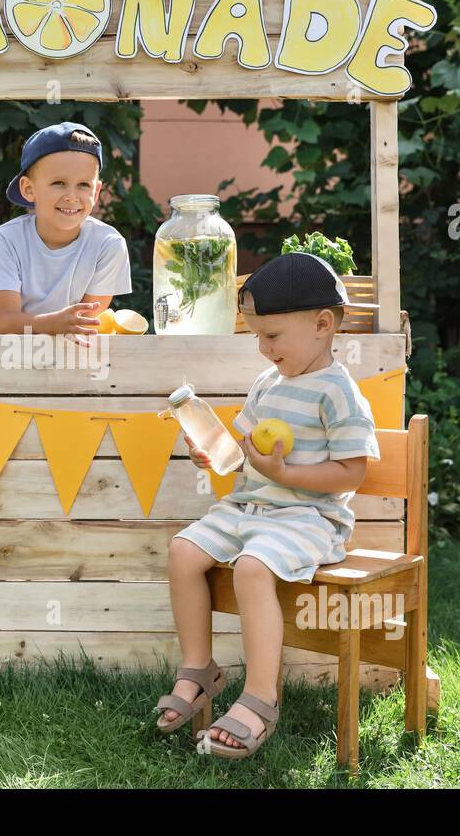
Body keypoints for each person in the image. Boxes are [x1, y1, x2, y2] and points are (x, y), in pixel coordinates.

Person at [153, 252, 382, 759]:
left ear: (323, 324)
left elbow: (353, 472)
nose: (262, 348)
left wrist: (286, 475)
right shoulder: (267, 386)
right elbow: (240, 458)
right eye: (257, 336)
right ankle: (198, 668)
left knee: (252, 569)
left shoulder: (339, 394)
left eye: (272, 336)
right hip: (249, 509)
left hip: (310, 518)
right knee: (183, 552)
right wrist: (212, 452)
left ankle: (260, 697)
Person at [0, 121, 131, 345]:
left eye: (83, 184)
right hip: (14, 358)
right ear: (28, 189)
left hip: (79, 360)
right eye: (59, 183)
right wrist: (6, 326)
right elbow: (7, 320)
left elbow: (81, 325)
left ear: (97, 190)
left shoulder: (109, 244)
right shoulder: (6, 239)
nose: (72, 196)